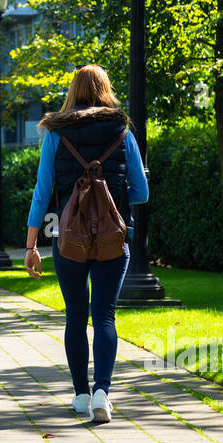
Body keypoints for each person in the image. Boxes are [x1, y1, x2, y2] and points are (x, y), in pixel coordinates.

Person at [24, 64, 149, 424]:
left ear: (73, 92)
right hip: (112, 238)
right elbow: (139, 191)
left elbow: (42, 193)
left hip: (68, 241)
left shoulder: (55, 135)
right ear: (105, 90)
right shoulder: (122, 133)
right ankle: (102, 394)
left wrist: (31, 246)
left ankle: (80, 394)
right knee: (105, 315)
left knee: (76, 316)